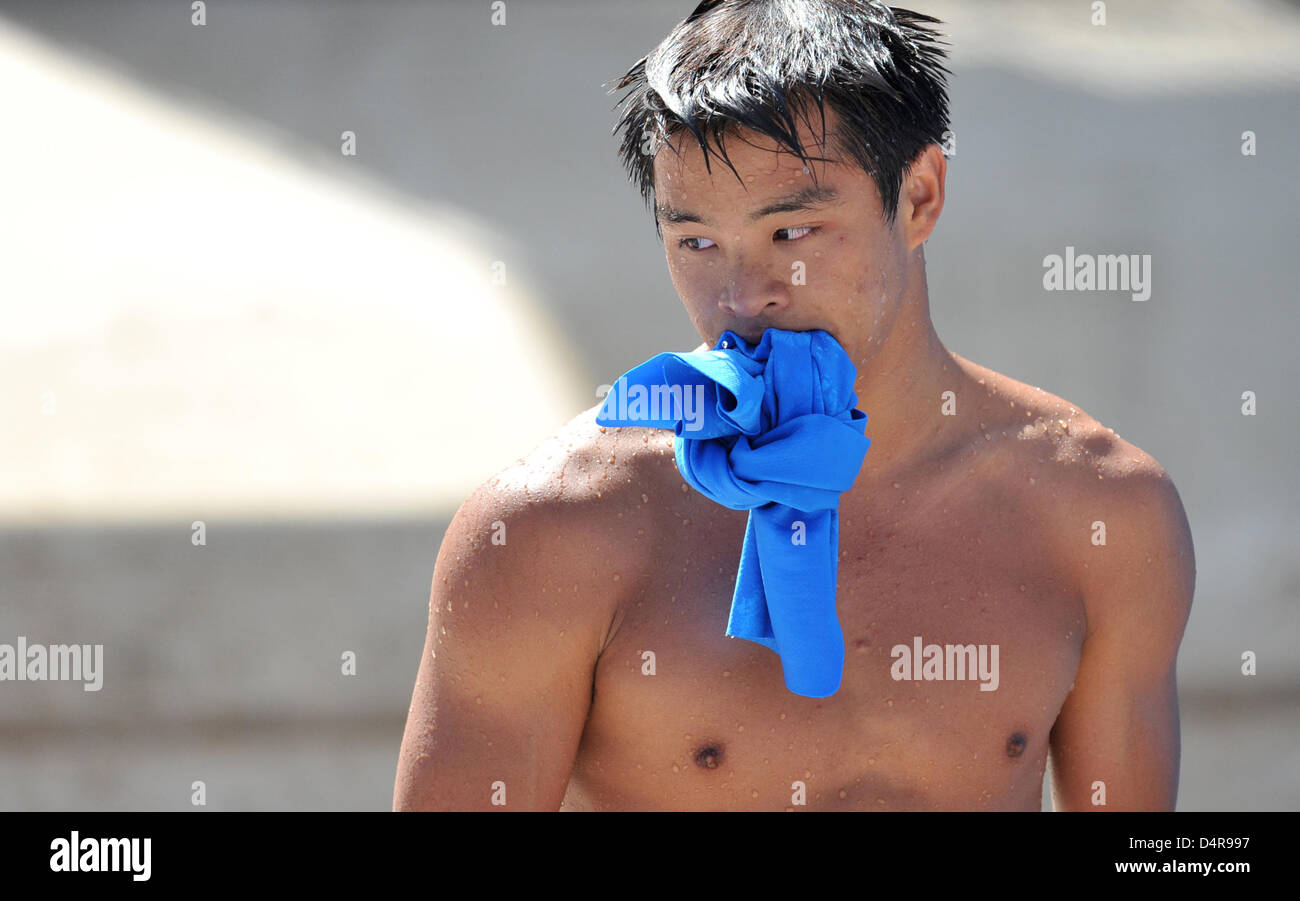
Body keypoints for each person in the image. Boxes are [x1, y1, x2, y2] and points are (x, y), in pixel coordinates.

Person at [393, 0, 1195, 811]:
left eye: (794, 232)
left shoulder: (1104, 513)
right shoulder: (550, 530)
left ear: (918, 196)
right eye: (696, 242)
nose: (744, 297)